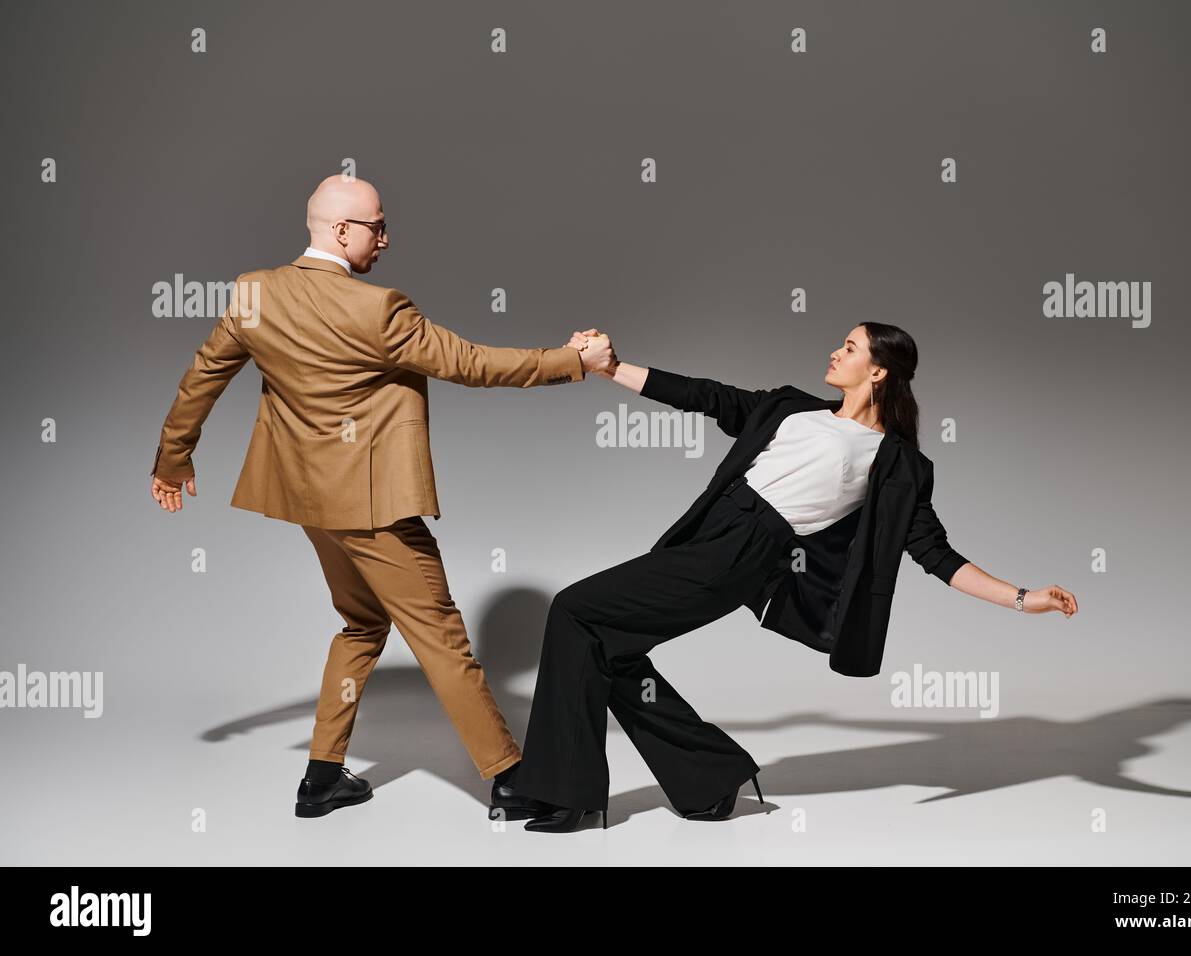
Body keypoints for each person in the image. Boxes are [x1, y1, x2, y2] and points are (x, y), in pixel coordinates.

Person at [148, 174, 614, 819]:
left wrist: (173, 460)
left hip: (309, 503)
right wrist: (574, 361)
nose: (386, 238)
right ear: (341, 230)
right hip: (372, 511)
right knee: (441, 637)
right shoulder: (378, 308)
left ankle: (321, 776)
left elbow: (203, 376)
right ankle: (512, 777)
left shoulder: (253, 293)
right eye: (377, 225)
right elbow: (472, 364)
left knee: (362, 624)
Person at [510, 322, 1080, 831]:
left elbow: (935, 553)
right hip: (707, 534)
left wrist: (1024, 598)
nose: (835, 351)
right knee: (609, 650)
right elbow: (706, 397)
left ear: (877, 371)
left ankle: (563, 793)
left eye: (850, 347)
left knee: (574, 609)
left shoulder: (895, 462)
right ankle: (708, 778)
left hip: (739, 557)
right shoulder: (789, 407)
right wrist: (609, 368)